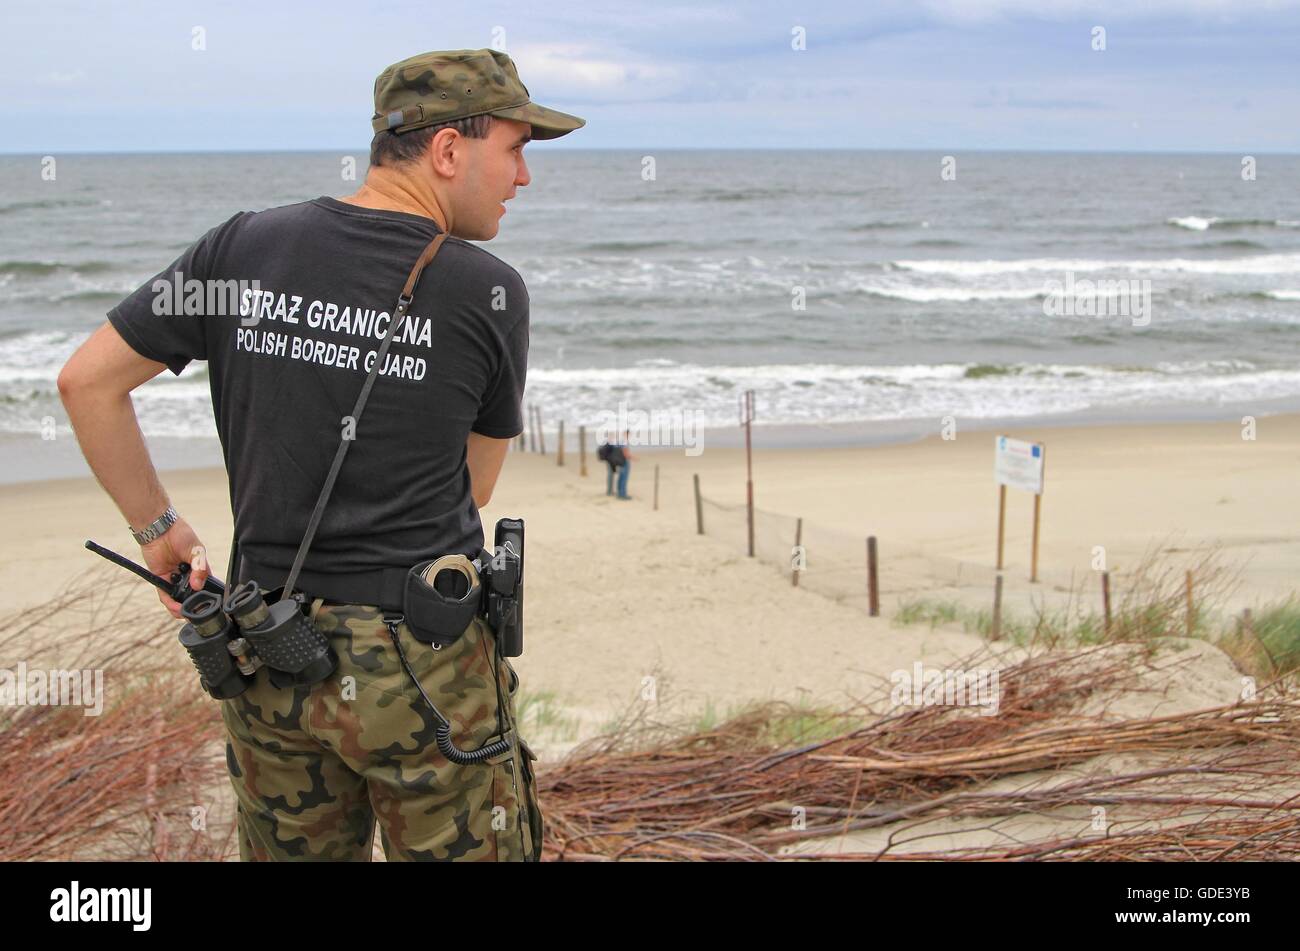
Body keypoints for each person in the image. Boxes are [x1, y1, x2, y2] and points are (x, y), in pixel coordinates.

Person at [57, 48, 584, 861]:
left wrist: (158, 530)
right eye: (515, 149)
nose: (524, 177)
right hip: (423, 666)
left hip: (268, 646)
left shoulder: (238, 250)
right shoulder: (488, 289)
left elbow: (87, 383)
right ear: (448, 151)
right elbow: (473, 486)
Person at [603, 430, 635, 500]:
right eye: (628, 434)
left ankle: (619, 492)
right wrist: (633, 458)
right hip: (623, 461)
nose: (629, 436)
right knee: (623, 477)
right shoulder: (624, 441)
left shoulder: (619, 441)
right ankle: (622, 494)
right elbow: (625, 452)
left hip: (619, 461)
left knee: (620, 477)